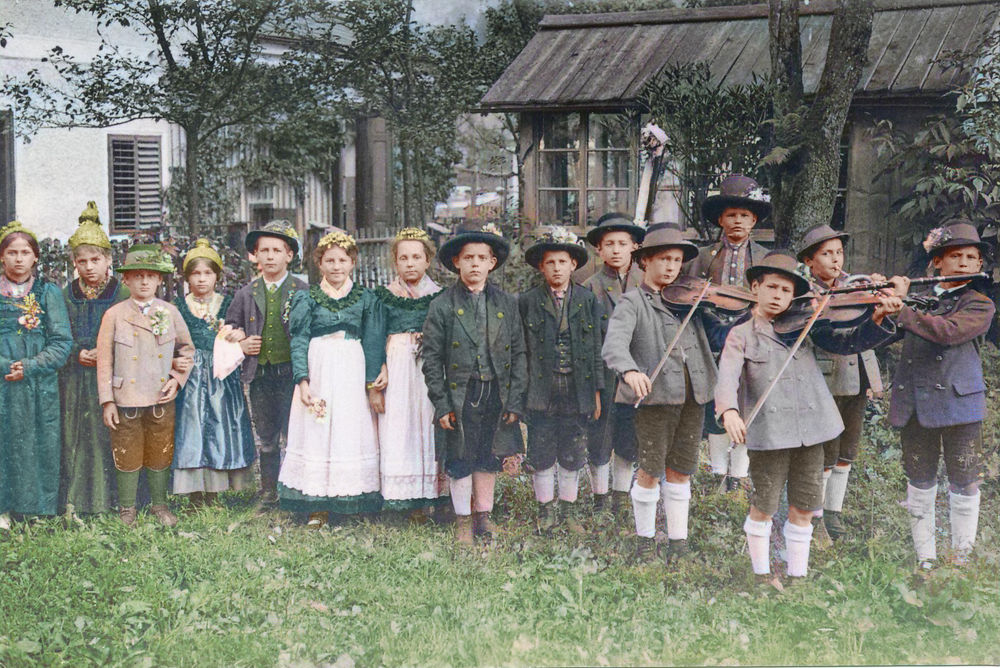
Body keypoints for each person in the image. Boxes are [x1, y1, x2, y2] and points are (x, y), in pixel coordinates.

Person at [715, 252, 900, 588]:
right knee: (764, 505)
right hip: (771, 433)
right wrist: (728, 410)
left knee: (805, 505)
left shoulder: (808, 326)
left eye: (786, 291)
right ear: (755, 288)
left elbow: (848, 343)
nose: (778, 296)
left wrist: (876, 319)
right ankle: (761, 576)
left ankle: (797, 577)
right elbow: (727, 375)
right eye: (771, 287)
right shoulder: (741, 334)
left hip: (812, 431)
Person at [602, 225, 732, 564]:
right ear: (645, 261)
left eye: (676, 260)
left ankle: (678, 542)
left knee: (682, 469)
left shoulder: (691, 300)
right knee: (650, 468)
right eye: (664, 259)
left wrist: (739, 314)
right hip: (655, 399)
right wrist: (630, 370)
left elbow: (720, 336)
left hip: (693, 396)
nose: (672, 267)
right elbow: (614, 345)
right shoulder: (632, 302)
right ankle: (645, 540)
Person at [887, 219, 994, 570]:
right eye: (955, 256)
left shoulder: (980, 304)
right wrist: (883, 303)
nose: (963, 263)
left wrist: (902, 310)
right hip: (916, 404)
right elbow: (888, 332)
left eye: (971, 257)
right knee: (920, 480)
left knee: (964, 481)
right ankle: (926, 560)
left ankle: (960, 560)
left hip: (960, 407)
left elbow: (948, 332)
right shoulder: (919, 299)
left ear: (980, 264)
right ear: (937, 262)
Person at [422, 223, 527, 545]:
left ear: (492, 263)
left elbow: (519, 352)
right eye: (468, 258)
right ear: (457, 262)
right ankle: (463, 521)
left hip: (496, 391)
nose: (475, 264)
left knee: (488, 454)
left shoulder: (506, 304)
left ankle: (484, 516)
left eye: (482, 258)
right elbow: (432, 359)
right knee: (460, 457)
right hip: (461, 394)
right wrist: (442, 404)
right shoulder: (443, 305)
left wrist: (515, 400)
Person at [277, 230, 384, 528]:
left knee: (350, 429)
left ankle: (352, 497)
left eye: (342, 260)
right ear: (319, 264)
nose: (336, 267)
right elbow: (299, 339)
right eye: (330, 261)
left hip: (352, 370)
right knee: (317, 429)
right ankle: (317, 504)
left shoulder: (366, 298)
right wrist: (303, 380)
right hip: (320, 368)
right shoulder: (307, 298)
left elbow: (373, 341)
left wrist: (371, 382)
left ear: (352, 263)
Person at [796, 224, 886, 541]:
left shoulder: (856, 285)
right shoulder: (805, 292)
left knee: (848, 447)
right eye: (826, 254)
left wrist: (877, 293)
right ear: (809, 261)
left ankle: (834, 513)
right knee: (827, 449)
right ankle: (816, 515)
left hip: (859, 373)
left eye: (839, 252)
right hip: (827, 377)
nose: (836, 260)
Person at [96, 244, 195, 527]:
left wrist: (177, 380)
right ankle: (127, 509)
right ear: (125, 279)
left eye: (150, 276)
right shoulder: (114, 315)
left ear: (159, 280)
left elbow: (187, 351)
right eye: (137, 276)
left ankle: (159, 505)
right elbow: (104, 360)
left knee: (160, 449)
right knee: (126, 450)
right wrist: (107, 400)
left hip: (160, 396)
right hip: (125, 397)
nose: (144, 282)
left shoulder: (169, 312)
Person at [686, 174, 770, 493]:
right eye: (731, 215)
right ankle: (718, 471)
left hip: (752, 337)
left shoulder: (764, 258)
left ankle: (739, 473)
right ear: (720, 219)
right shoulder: (703, 256)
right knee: (715, 400)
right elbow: (690, 293)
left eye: (744, 215)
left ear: (754, 220)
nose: (737, 221)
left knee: (746, 399)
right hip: (711, 337)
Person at [519, 226, 603, 534]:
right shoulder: (528, 301)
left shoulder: (587, 300)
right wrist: (524, 392)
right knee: (541, 449)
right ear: (541, 267)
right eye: (550, 263)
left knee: (572, 449)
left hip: (577, 387)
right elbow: (521, 349)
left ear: (573, 265)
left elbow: (595, 348)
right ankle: (546, 511)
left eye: (562, 262)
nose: (557, 268)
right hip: (542, 388)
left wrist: (595, 392)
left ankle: (568, 510)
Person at [225, 220, 307, 506]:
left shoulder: (302, 290)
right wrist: (241, 342)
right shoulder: (246, 293)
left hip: (291, 374)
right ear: (255, 255)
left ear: (289, 255)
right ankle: (269, 491)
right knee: (266, 435)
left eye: (277, 250)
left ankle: (295, 490)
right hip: (260, 375)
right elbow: (230, 326)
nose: (270, 256)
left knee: (294, 432)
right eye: (264, 251)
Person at [370, 228, 448, 521]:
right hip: (397, 367)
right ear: (395, 262)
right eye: (403, 258)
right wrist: (377, 374)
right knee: (399, 427)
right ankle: (403, 497)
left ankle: (433, 495)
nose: (410, 263)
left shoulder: (440, 296)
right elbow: (374, 337)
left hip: (430, 368)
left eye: (417, 257)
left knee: (427, 424)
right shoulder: (385, 296)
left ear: (428, 260)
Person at [171, 239, 256, 508]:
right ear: (186, 277)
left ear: (217, 276)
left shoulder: (229, 303)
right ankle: (195, 492)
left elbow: (241, 330)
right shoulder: (177, 306)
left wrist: (239, 336)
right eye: (195, 273)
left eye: (207, 273)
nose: (201, 279)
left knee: (221, 425)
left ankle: (217, 490)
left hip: (221, 374)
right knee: (191, 427)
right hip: (191, 375)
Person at [0, 221, 72, 529]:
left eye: (25, 253)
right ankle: (3, 509)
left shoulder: (48, 293)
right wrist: (7, 366)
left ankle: (36, 509)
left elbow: (61, 342)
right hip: (3, 383)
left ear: (35, 257)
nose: (19, 259)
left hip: (38, 384)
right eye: (11, 252)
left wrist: (30, 366)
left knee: (38, 440)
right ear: (2, 257)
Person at [59, 202, 129, 515]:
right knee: (76, 435)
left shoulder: (121, 294)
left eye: (95, 260)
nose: (89, 267)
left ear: (109, 260)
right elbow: (58, 333)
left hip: (111, 379)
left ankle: (108, 499)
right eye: (82, 261)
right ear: (75, 263)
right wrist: (77, 352)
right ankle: (76, 500)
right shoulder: (66, 295)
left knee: (107, 436)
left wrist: (107, 352)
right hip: (76, 378)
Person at [582, 213, 645, 519]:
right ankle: (600, 497)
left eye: (623, 243)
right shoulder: (590, 288)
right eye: (609, 244)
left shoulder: (646, 283)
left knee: (628, 438)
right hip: (605, 375)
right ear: (599, 249)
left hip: (637, 374)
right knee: (600, 436)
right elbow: (589, 341)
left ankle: (621, 496)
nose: (616, 250)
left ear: (635, 246)